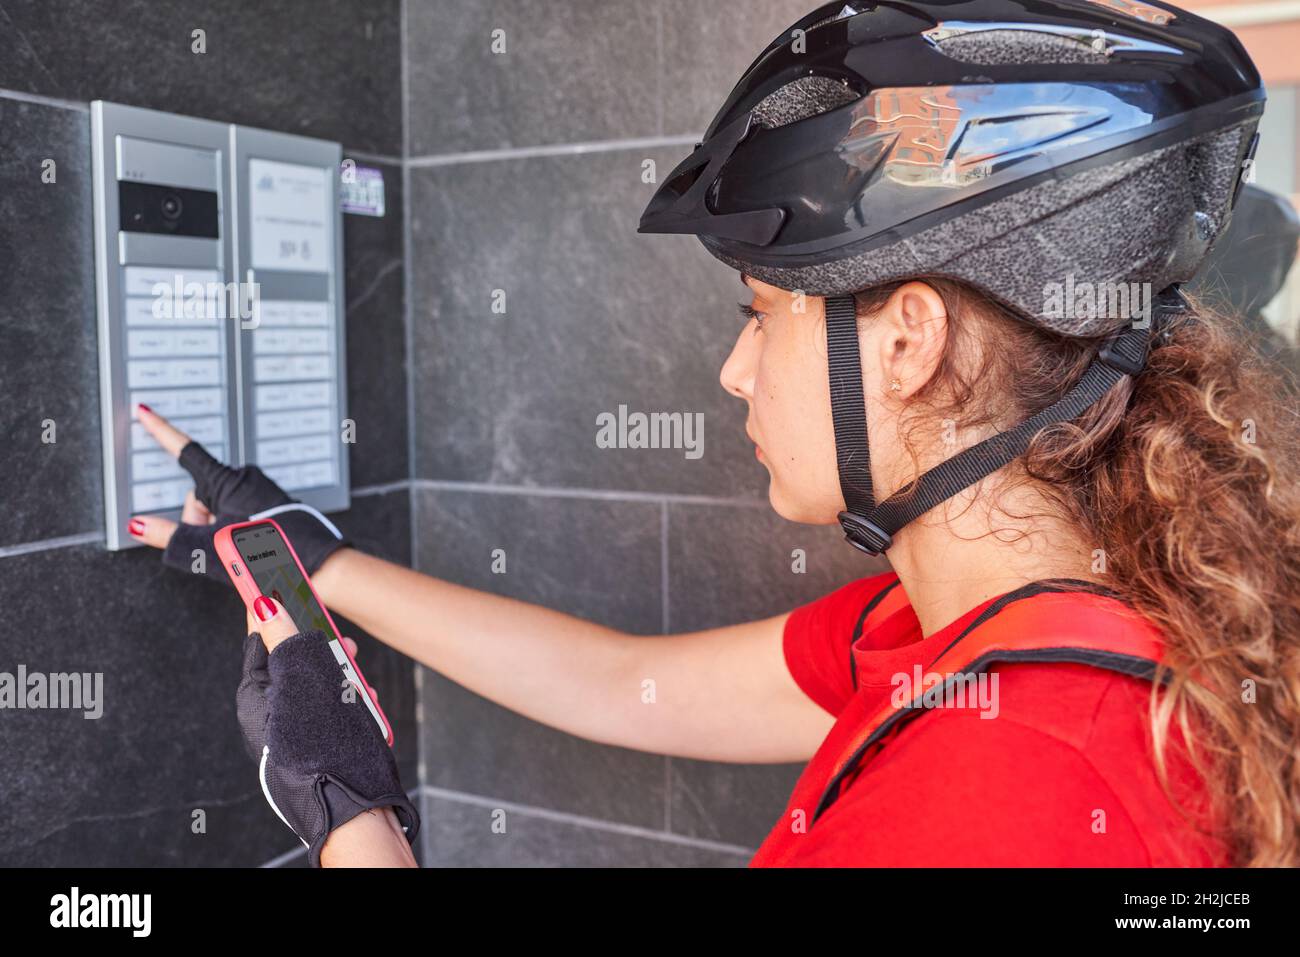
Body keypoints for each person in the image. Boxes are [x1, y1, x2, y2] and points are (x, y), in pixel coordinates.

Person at [129, 0, 1300, 867]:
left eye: (762, 316)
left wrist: (353, 823)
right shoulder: (976, 632)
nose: (734, 372)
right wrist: (310, 557)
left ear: (907, 342)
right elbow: (622, 682)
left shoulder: (1013, 788)